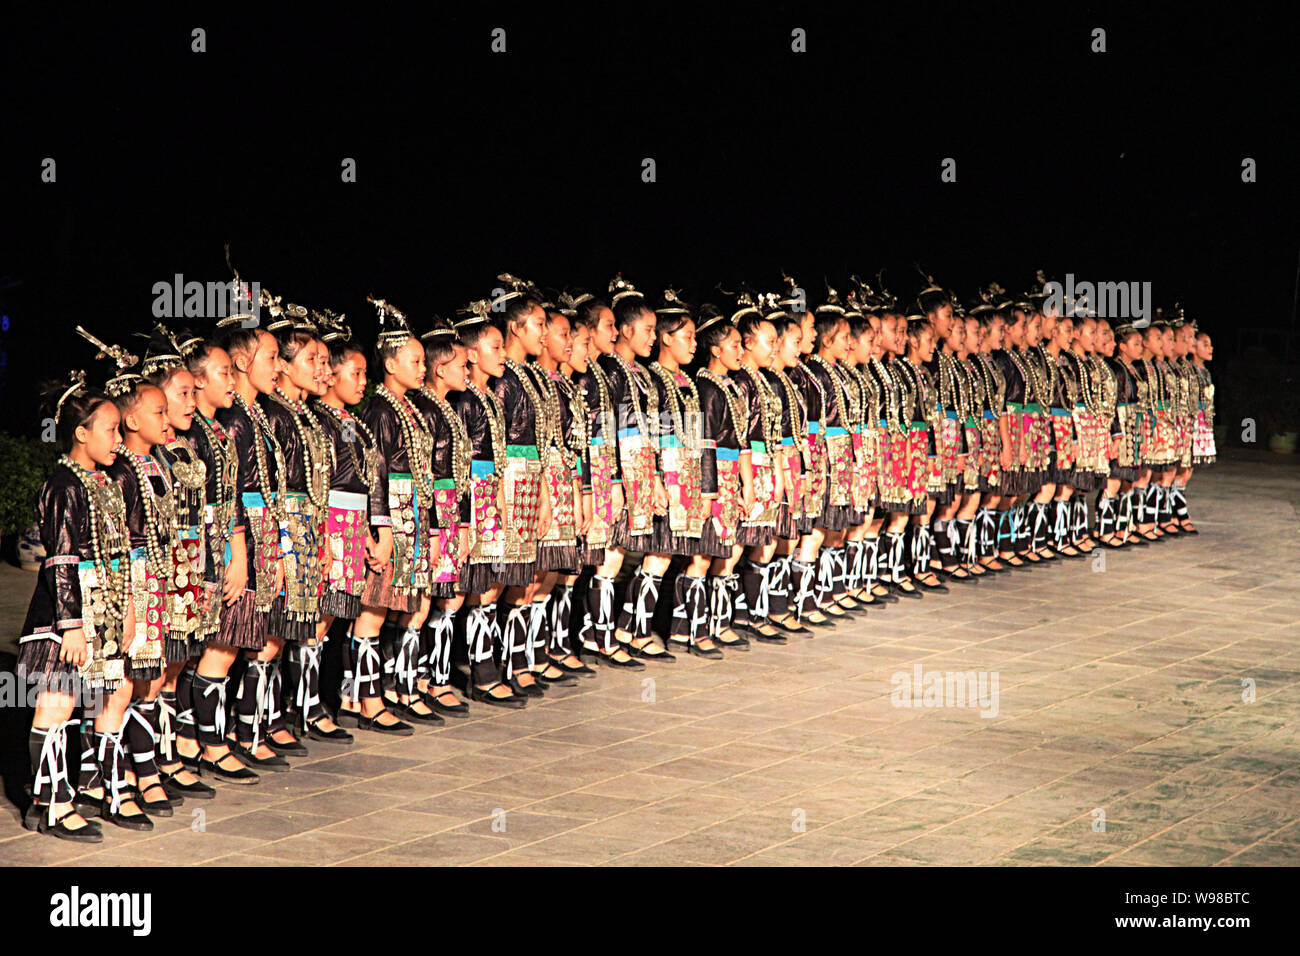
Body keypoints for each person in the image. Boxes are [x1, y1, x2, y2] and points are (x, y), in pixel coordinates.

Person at [20, 369, 131, 841]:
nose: (118, 439)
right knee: (56, 703)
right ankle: (49, 804)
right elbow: (61, 559)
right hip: (62, 617)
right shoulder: (64, 485)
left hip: (94, 613)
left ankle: (74, 791)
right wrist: (71, 625)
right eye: (110, 430)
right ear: (81, 434)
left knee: (80, 702)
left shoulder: (99, 481)